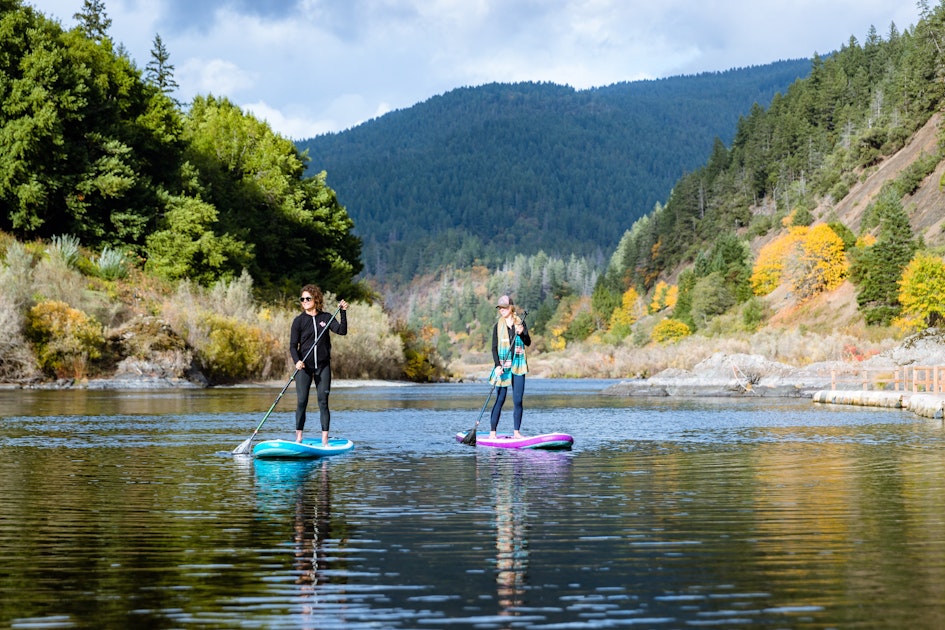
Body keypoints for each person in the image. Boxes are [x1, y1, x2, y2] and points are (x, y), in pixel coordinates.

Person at [290, 285, 348, 445]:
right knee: (302, 401)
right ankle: (299, 438)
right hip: (304, 368)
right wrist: (297, 361)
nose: (305, 302)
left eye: (308, 298)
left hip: (323, 367)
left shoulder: (326, 317)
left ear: (316, 299)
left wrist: (342, 312)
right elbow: (292, 346)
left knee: (323, 402)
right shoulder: (298, 321)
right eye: (302, 299)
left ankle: (324, 440)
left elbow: (342, 331)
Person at [489, 295, 530, 438]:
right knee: (500, 399)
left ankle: (516, 433)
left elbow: (528, 342)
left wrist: (522, 334)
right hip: (503, 367)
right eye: (500, 308)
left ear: (511, 307)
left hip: (518, 365)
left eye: (504, 307)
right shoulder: (497, 326)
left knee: (518, 400)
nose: (501, 310)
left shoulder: (520, 323)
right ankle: (492, 433)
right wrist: (497, 366)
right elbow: (494, 348)